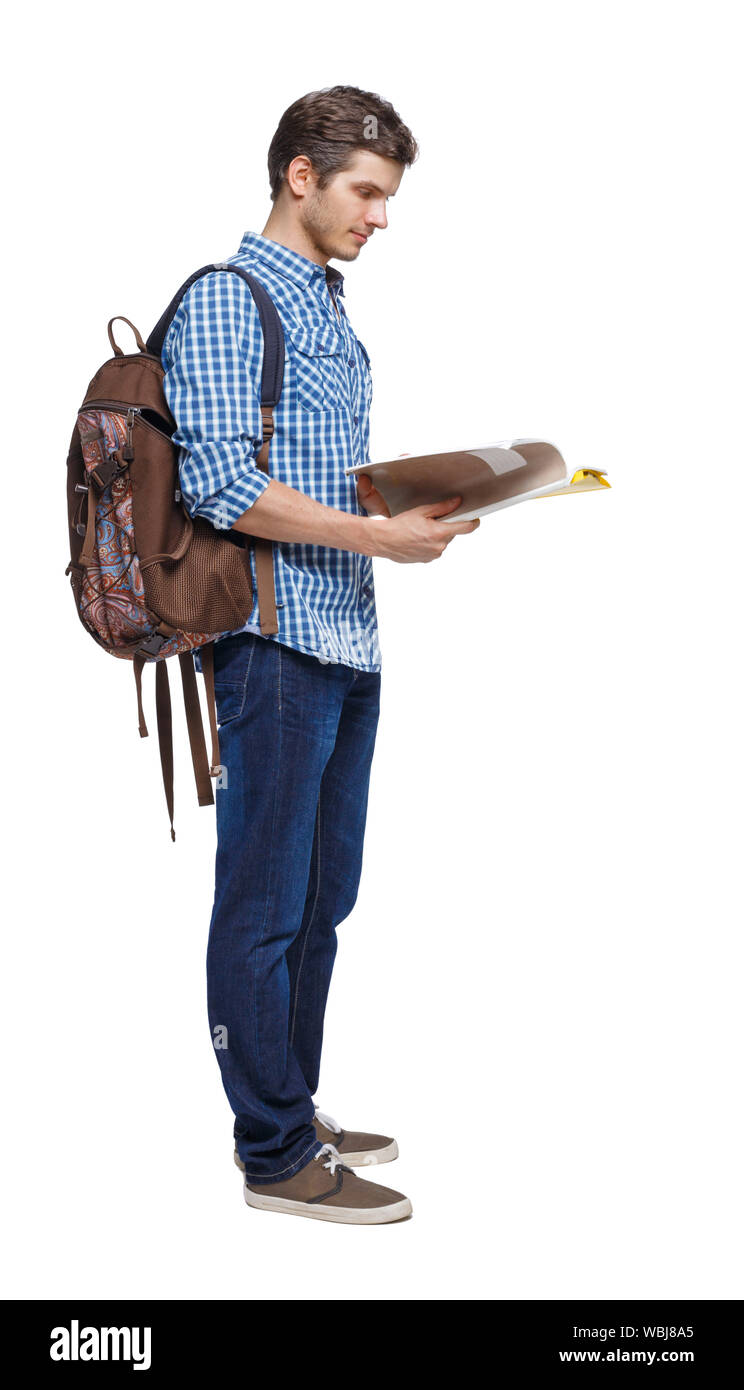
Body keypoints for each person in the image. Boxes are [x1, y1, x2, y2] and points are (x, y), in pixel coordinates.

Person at [161, 85, 480, 1224]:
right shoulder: (227, 300)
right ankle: (275, 1154)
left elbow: (304, 472)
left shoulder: (333, 315)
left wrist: (413, 502)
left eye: (386, 197)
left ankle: (289, 1100)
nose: (380, 217)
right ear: (301, 175)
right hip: (268, 641)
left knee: (319, 899)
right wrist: (372, 533)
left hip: (346, 637)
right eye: (365, 192)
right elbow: (217, 484)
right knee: (261, 905)